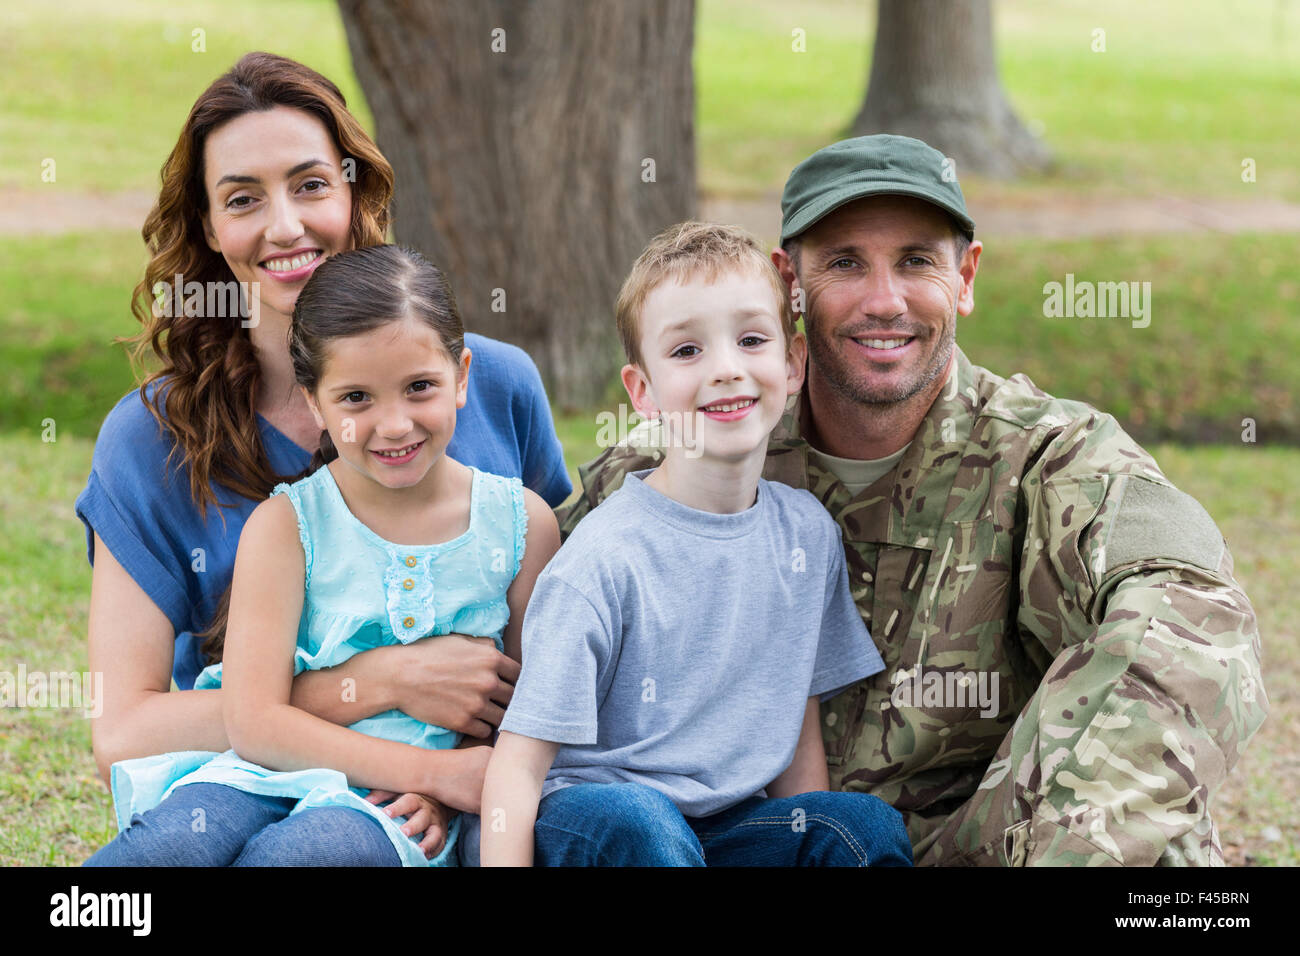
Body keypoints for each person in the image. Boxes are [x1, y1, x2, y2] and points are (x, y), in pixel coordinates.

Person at [555, 136, 1269, 867]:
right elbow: (515, 605)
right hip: (741, 847)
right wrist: (428, 680)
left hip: (989, 849)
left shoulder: (1051, 457)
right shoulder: (684, 460)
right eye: (844, 263)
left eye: (917, 261)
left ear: (965, 276)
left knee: (1169, 847)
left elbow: (1195, 634)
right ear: (788, 284)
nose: (884, 301)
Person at [74, 54, 571, 860]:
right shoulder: (149, 438)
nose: (284, 226)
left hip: (412, 819)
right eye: (242, 199)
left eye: (310, 185)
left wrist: (454, 780)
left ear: (354, 192)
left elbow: (550, 661)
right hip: (227, 786)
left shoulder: (495, 386)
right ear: (207, 226)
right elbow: (123, 732)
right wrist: (382, 683)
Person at [478, 221, 913, 867]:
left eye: (751, 340)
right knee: (646, 827)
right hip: (597, 820)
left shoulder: (805, 534)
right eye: (687, 351)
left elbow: (795, 732)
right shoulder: (605, 558)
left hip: (727, 828)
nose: (727, 370)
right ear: (643, 391)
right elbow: (516, 765)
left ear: (792, 364)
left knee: (857, 828)